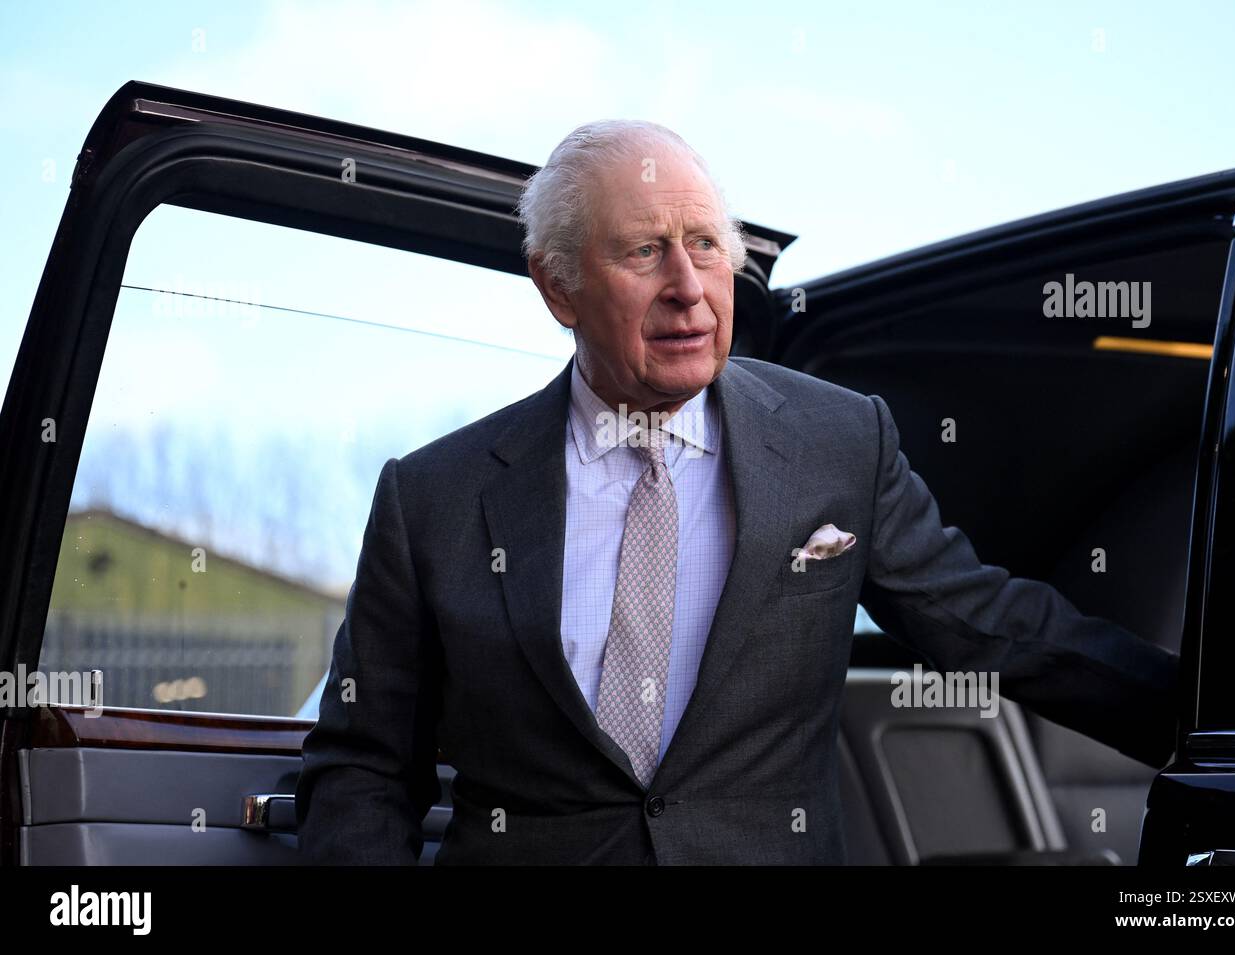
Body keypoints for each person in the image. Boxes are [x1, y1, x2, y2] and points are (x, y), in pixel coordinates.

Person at [295, 120, 1179, 864]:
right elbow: (364, 763)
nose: (688, 288)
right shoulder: (434, 497)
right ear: (556, 285)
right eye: (644, 251)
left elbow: (990, 625)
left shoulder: (839, 440)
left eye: (708, 245)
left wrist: (1227, 724)